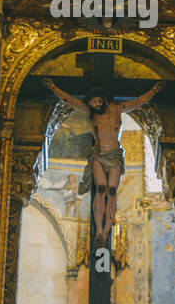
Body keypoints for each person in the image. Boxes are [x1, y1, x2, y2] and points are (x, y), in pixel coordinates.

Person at [42, 79, 163, 244]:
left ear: (104, 99)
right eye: (92, 103)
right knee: (100, 189)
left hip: (114, 155)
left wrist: (154, 90)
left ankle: (107, 231)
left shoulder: (117, 109)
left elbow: (140, 101)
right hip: (99, 155)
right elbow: (68, 99)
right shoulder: (91, 113)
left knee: (111, 192)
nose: (95, 106)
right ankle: (99, 230)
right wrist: (53, 87)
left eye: (97, 101)